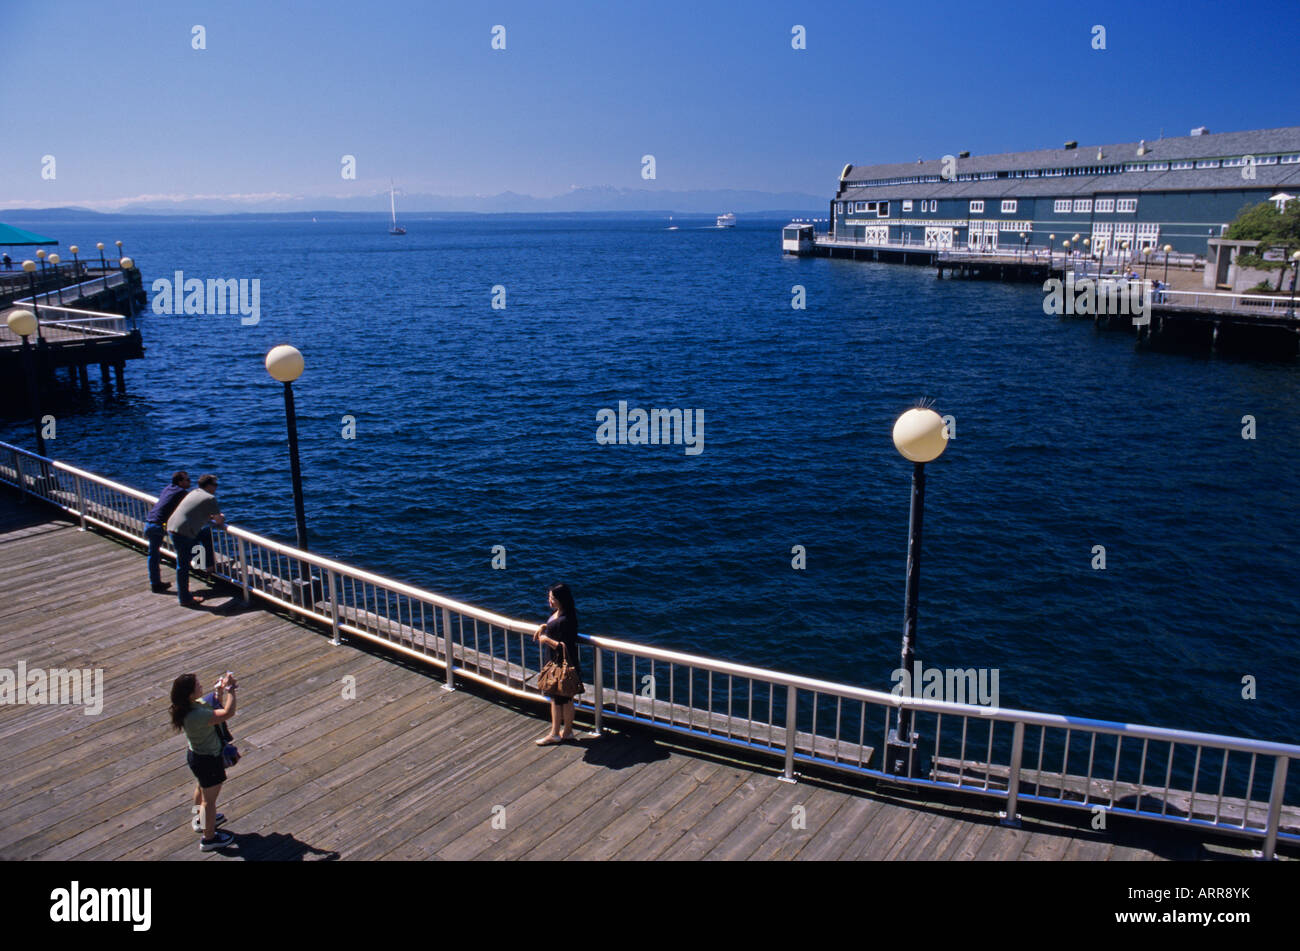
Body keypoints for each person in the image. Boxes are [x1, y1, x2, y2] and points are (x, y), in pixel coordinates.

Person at [169, 671, 237, 851]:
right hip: (208, 760)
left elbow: (210, 705)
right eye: (197, 686)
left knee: (201, 787)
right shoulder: (196, 715)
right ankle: (209, 838)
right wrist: (231, 690)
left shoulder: (189, 707)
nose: (201, 686)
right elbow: (227, 713)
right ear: (190, 694)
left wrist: (219, 691)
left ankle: (199, 819)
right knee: (210, 801)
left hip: (196, 757)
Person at [531, 582, 582, 746]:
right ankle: (567, 732)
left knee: (558, 698)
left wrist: (546, 639)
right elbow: (556, 627)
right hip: (559, 662)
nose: (549, 600)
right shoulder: (563, 614)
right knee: (565, 699)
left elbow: (564, 644)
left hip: (560, 664)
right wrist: (545, 626)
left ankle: (555, 733)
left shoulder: (566, 620)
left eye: (552, 598)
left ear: (561, 599)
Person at [166, 473, 224, 607]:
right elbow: (219, 520)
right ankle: (185, 598)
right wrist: (221, 517)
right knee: (183, 565)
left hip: (172, 527)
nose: (216, 487)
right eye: (215, 484)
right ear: (209, 486)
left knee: (205, 534)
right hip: (183, 533)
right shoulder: (210, 498)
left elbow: (196, 511)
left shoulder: (193, 492)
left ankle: (208, 565)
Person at [145, 471, 191, 593]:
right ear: (180, 482)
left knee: (153, 555)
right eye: (187, 480)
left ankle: (155, 583)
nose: (190, 482)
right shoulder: (182, 493)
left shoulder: (168, 488)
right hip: (159, 526)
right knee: (183, 552)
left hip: (149, 522)